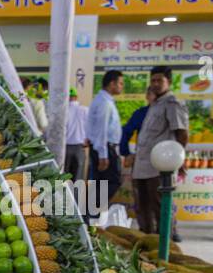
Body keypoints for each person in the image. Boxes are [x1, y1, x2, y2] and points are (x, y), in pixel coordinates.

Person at [131, 66, 188, 240]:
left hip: (159, 166)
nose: (155, 84)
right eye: (153, 80)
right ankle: (146, 242)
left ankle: (165, 244)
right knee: (142, 205)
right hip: (142, 164)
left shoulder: (172, 103)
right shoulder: (155, 104)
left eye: (159, 80)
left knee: (160, 205)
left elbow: (182, 133)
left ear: (169, 82)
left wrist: (179, 160)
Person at [85, 70, 124, 224]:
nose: (122, 87)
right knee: (113, 181)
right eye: (120, 83)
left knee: (101, 184)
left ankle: (91, 216)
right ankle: (90, 213)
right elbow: (101, 130)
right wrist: (103, 155)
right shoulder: (104, 103)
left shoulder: (102, 100)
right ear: (111, 83)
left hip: (103, 147)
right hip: (105, 148)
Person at [120, 88, 156, 160]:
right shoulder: (141, 113)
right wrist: (126, 153)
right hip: (144, 158)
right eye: (155, 94)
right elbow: (125, 132)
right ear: (147, 96)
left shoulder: (169, 113)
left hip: (165, 157)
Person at [63, 89, 88, 184]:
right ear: (76, 97)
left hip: (64, 149)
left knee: (62, 179)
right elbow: (91, 127)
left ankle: (63, 199)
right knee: (77, 180)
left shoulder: (62, 111)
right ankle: (75, 199)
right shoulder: (85, 110)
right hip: (79, 148)